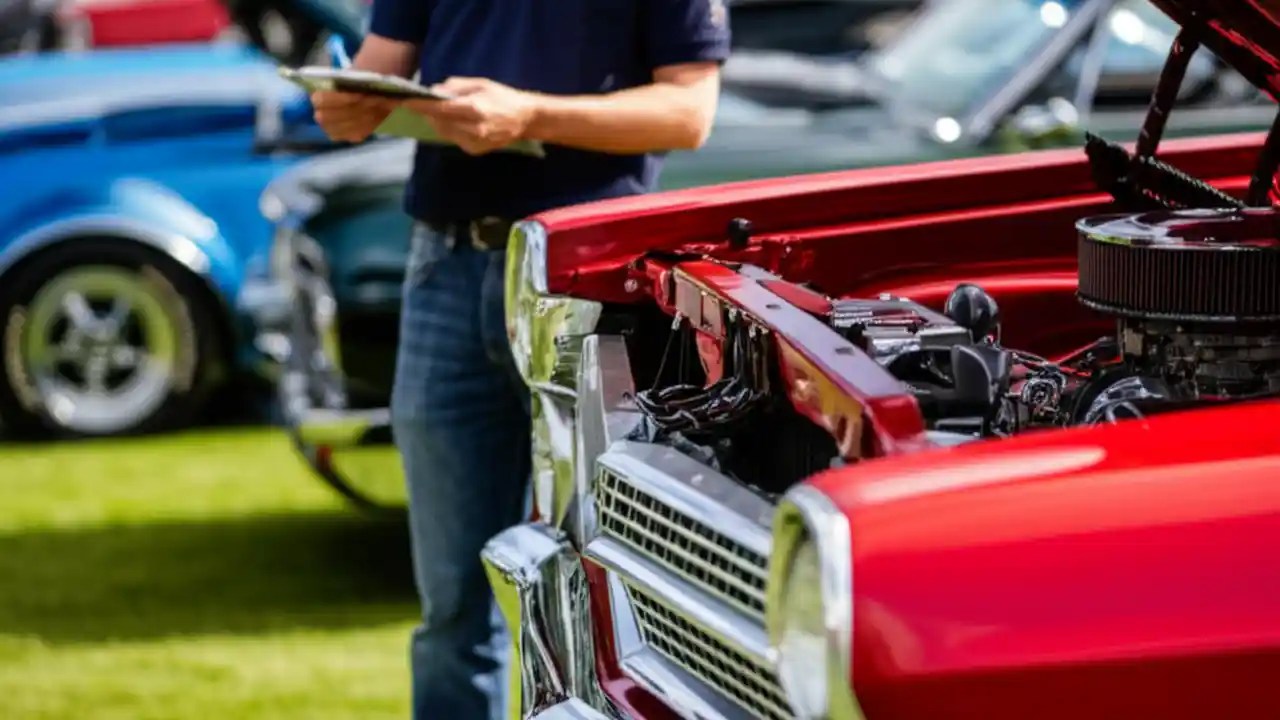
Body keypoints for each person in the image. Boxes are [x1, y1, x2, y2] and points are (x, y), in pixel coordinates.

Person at [309, 1, 730, 718]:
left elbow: (688, 111)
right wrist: (344, 106)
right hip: (444, 263)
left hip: (585, 277)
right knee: (453, 607)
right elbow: (376, 75)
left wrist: (529, 115)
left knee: (611, 596)